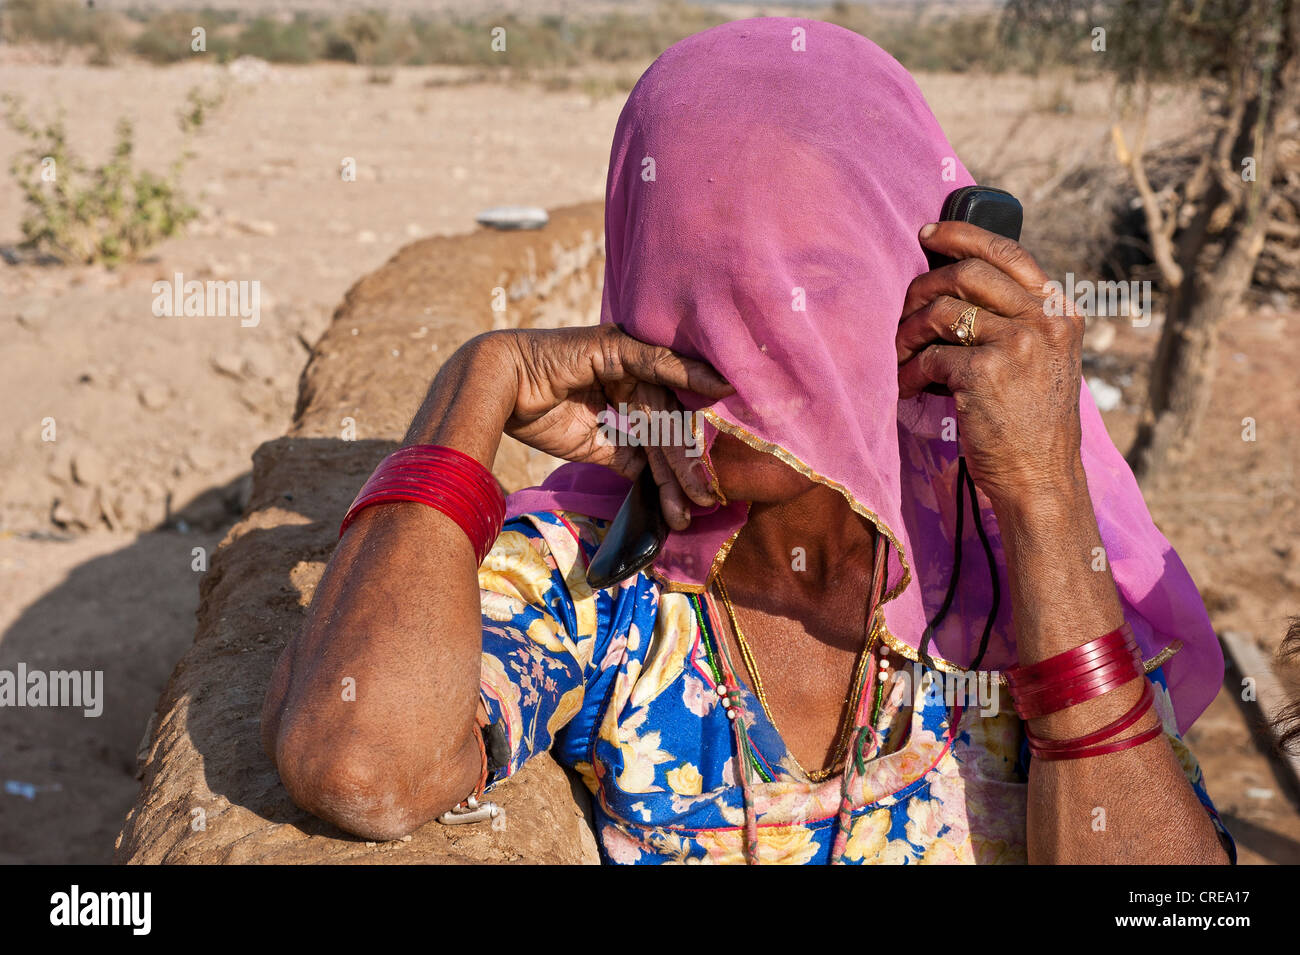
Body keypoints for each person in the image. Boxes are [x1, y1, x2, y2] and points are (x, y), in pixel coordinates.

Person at [261, 18, 1233, 864]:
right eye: (680, 277)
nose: (726, 337)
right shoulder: (606, 586)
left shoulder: (1008, 579)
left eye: (801, 284)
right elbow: (358, 764)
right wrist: (471, 388)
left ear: (922, 286)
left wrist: (1043, 492)